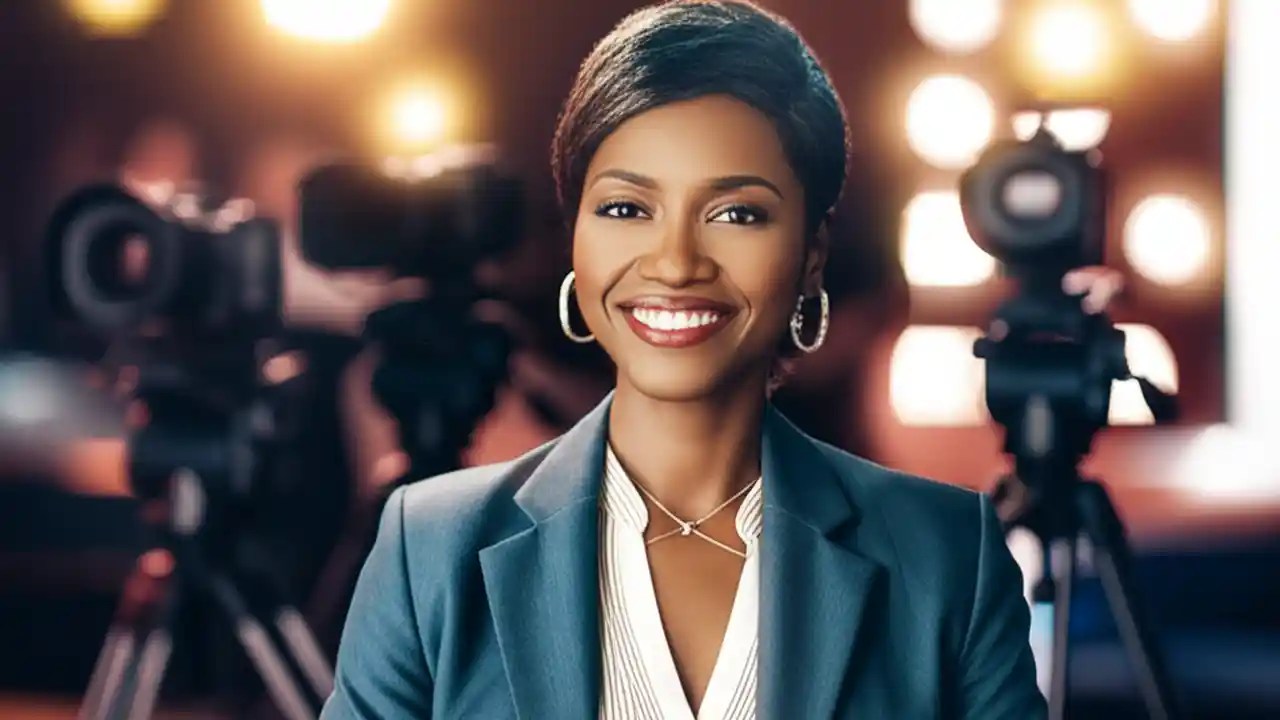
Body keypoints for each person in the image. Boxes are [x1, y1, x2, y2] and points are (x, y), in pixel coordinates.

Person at [323, 2, 1120, 717]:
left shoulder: (948, 555)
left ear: (812, 256)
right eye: (627, 208)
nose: (675, 261)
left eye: (737, 212)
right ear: (577, 241)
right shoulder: (429, 546)